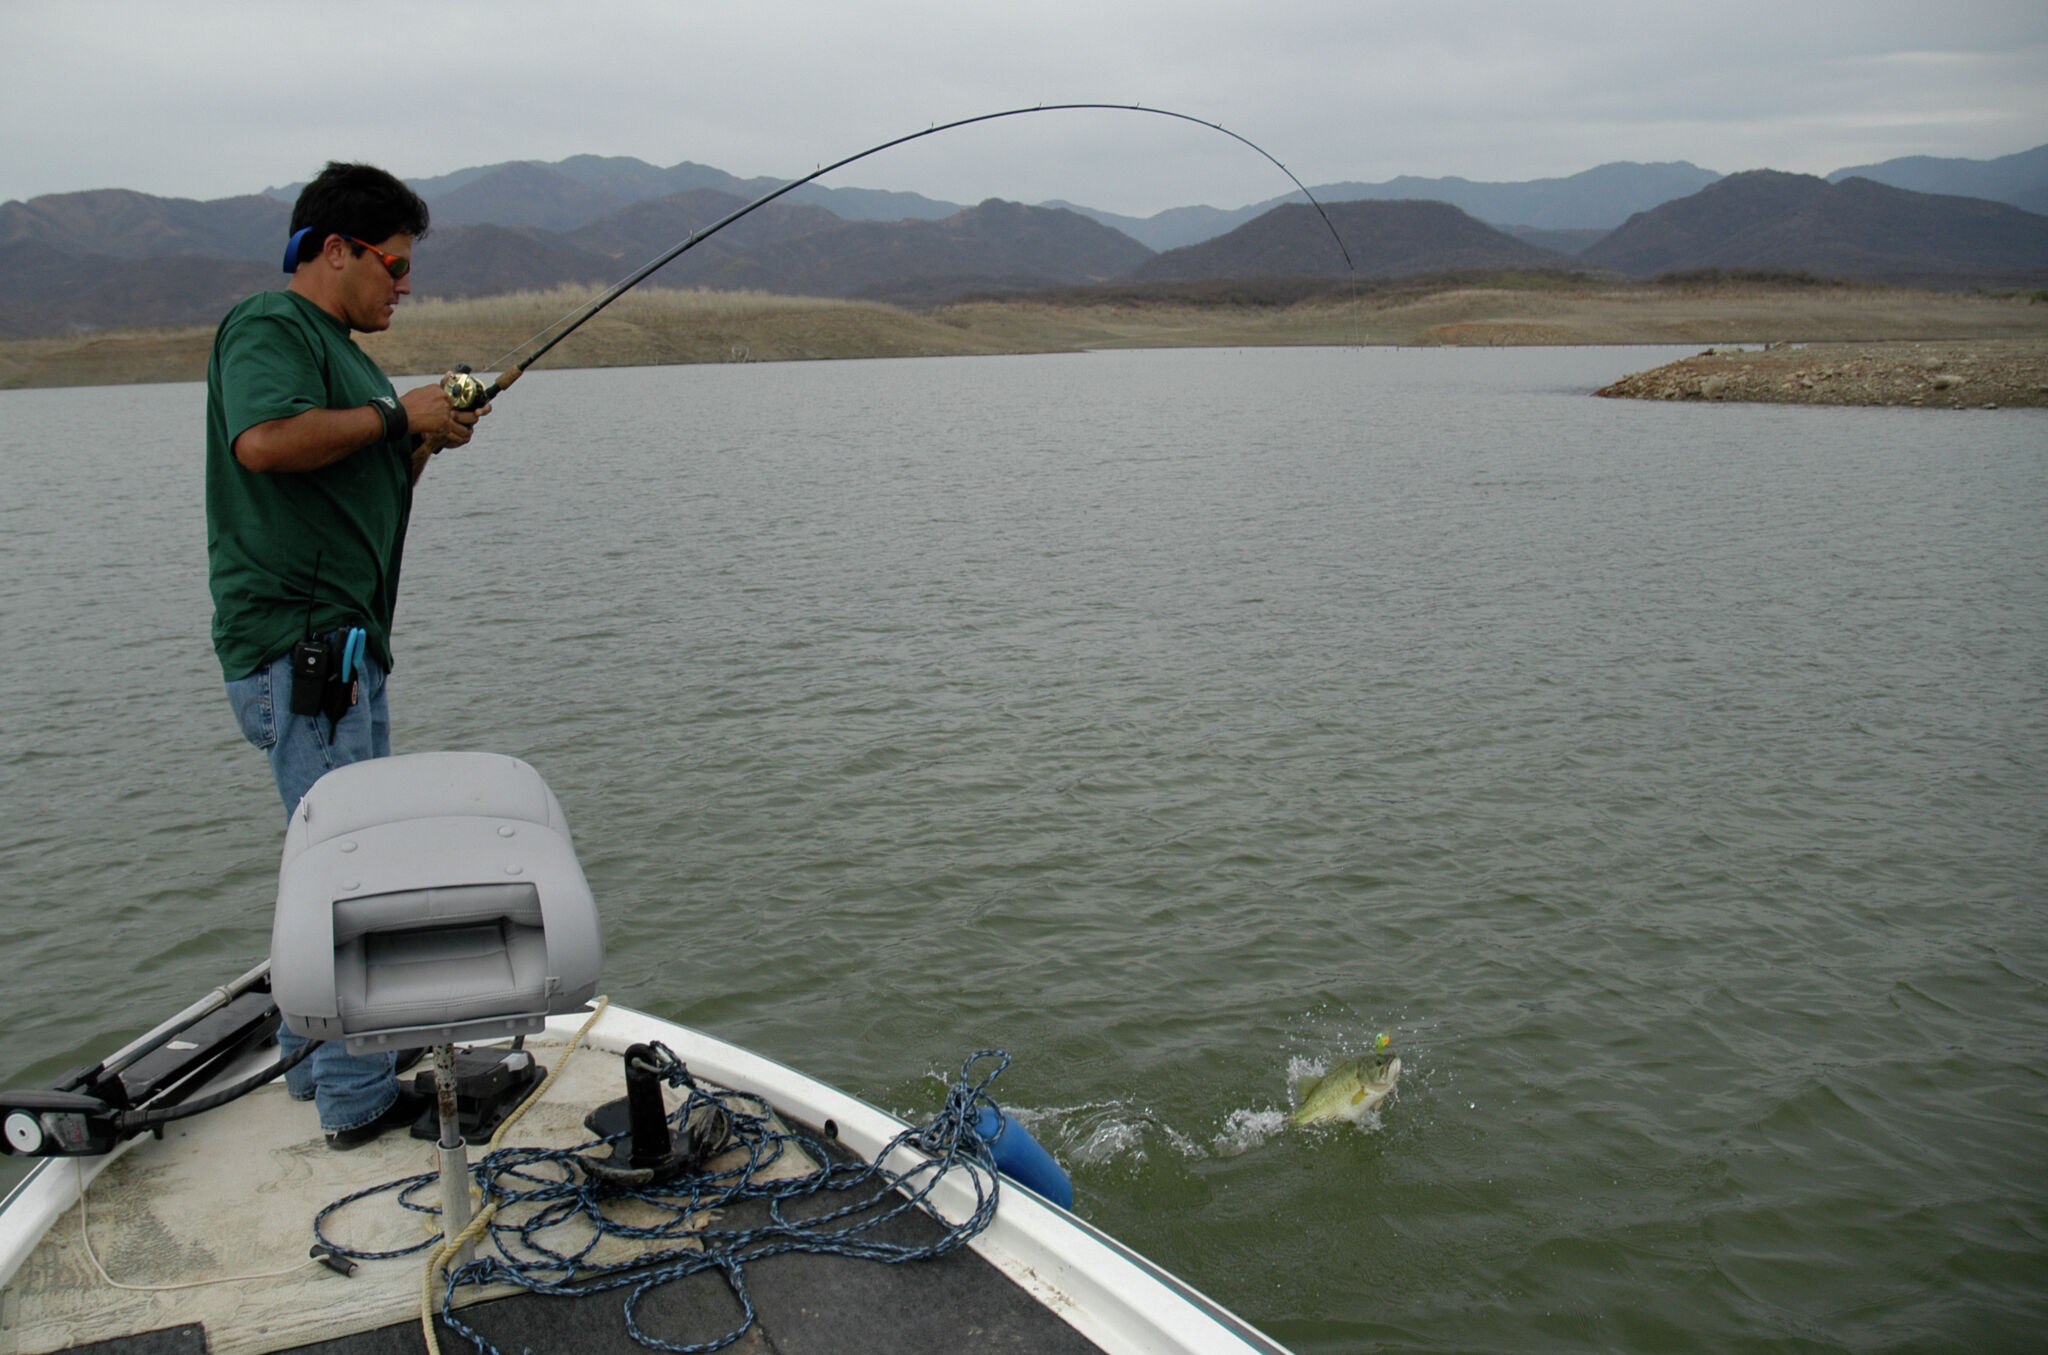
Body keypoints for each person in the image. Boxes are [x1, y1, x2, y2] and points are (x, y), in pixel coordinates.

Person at [205, 161, 486, 1149]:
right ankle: (358, 1100)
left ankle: (308, 1056)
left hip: (341, 647)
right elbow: (265, 442)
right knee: (356, 872)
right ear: (338, 250)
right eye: (395, 265)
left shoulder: (339, 351)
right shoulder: (270, 327)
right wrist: (392, 415)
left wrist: (421, 439)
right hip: (301, 647)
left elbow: (344, 465)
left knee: (321, 859)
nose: (404, 285)